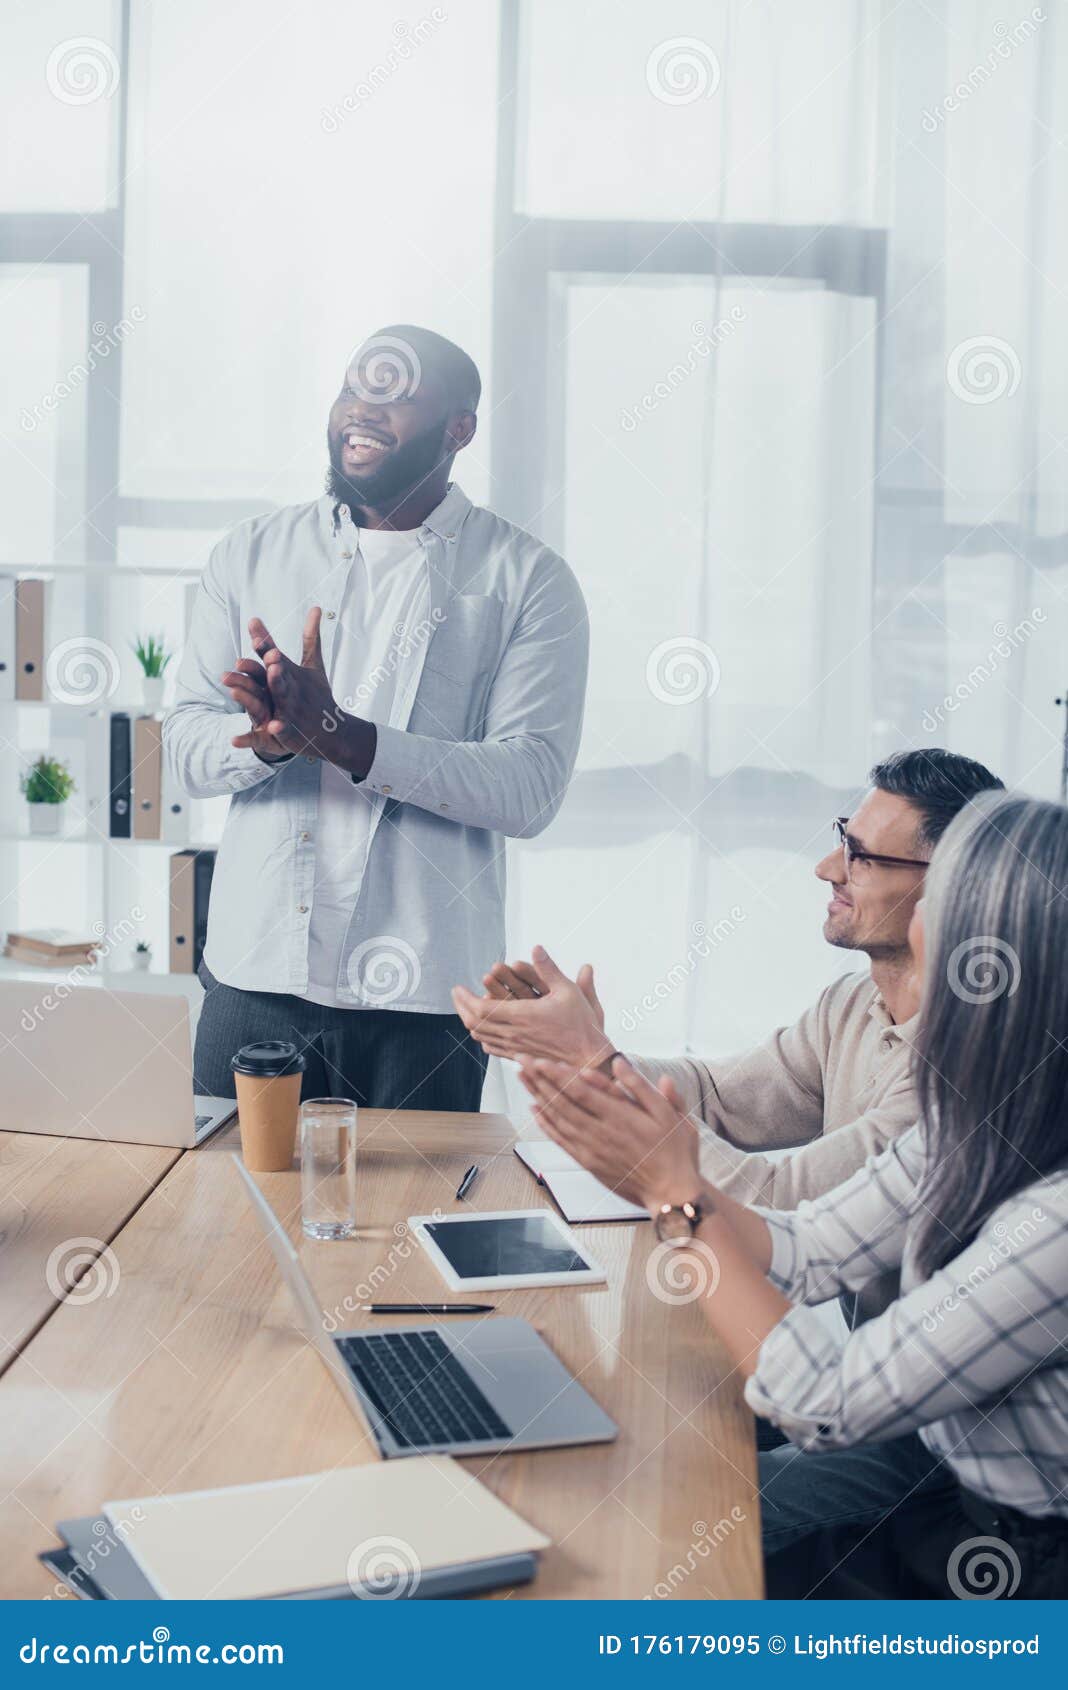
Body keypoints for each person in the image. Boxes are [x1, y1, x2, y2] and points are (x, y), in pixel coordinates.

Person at [518, 791, 1068, 1599]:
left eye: (938, 910)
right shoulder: (982, 1119)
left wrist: (679, 1195)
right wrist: (657, 1159)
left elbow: (826, 1402)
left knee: (651, 1554)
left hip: (1006, 1549)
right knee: (632, 1479)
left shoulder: (1051, 1221)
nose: (917, 931)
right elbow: (808, 1248)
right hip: (932, 1451)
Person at [166, 325, 588, 1110]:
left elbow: (529, 788)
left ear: (459, 427)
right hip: (252, 982)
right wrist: (267, 747)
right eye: (354, 389)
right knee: (221, 1222)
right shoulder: (250, 553)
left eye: (396, 394)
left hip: (423, 1005)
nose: (363, 410)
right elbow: (183, 744)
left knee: (406, 1233)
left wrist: (342, 737)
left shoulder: (528, 579)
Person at [454, 749, 1004, 1208]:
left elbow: (784, 1206)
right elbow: (715, 1097)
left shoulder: (961, 1068)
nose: (827, 870)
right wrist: (579, 1054)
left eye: (860, 857)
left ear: (952, 882)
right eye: (842, 840)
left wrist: (591, 1056)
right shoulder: (852, 1003)